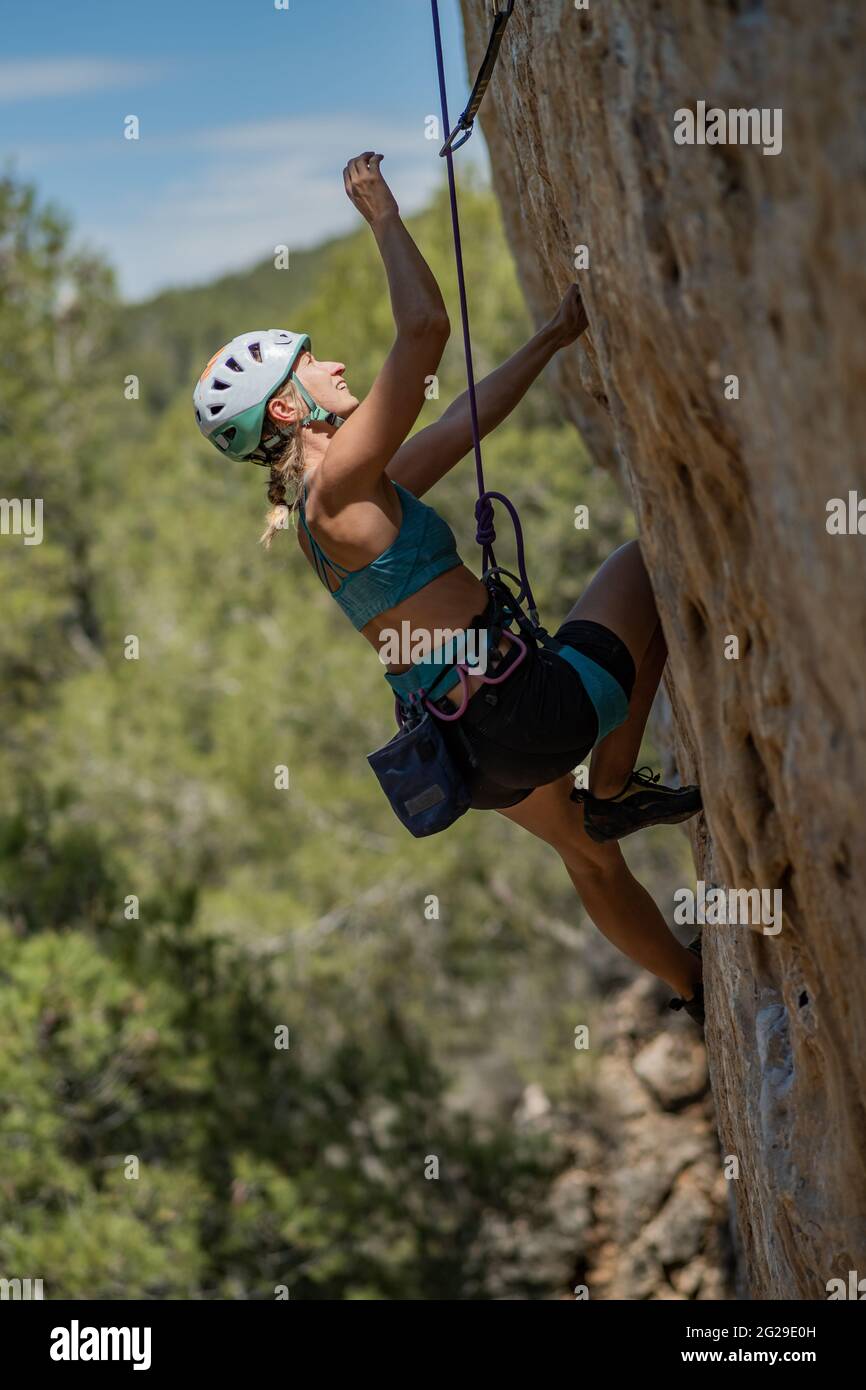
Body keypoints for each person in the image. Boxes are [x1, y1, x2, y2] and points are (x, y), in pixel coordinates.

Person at [193, 153, 705, 1025]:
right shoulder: (346, 483)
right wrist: (382, 213)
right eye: (313, 365)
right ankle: (615, 782)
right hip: (527, 705)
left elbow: (461, 421)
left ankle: (694, 991)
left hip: (470, 750)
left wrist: (547, 338)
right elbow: (423, 329)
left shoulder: (334, 507)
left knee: (589, 860)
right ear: (288, 410)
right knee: (647, 563)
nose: (337, 366)